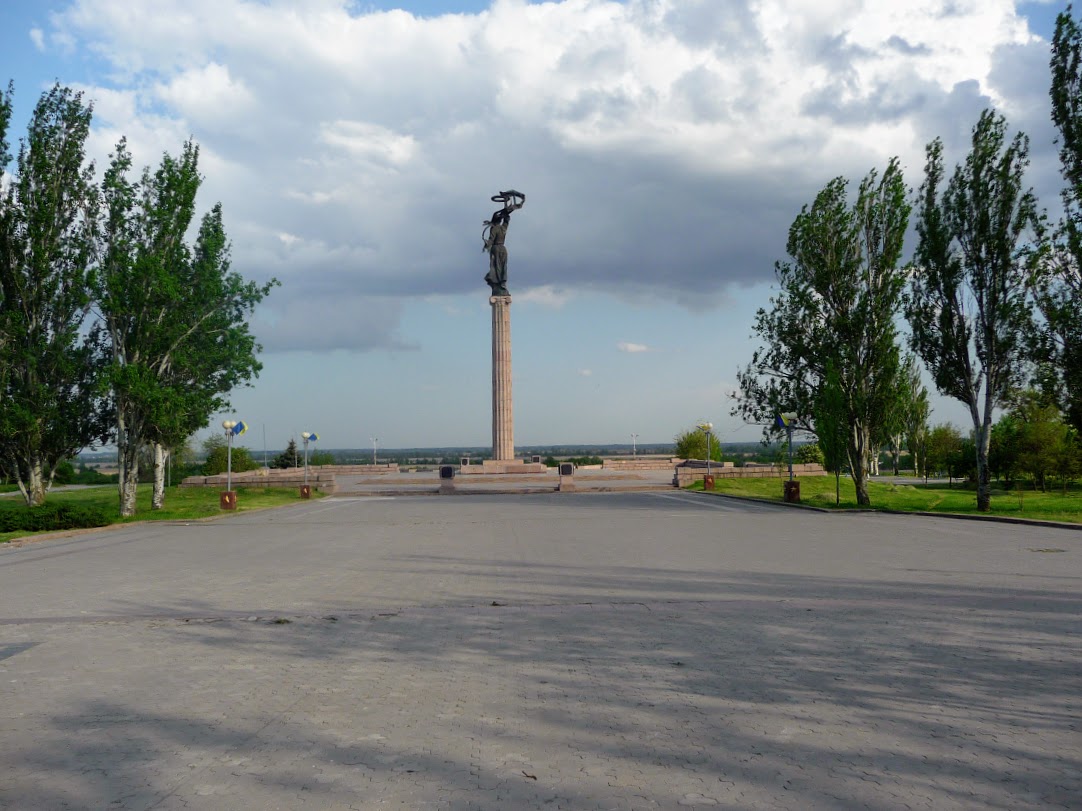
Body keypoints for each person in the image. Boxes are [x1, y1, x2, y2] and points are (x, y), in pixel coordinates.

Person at [482, 190, 525, 295]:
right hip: (503, 249)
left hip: (496, 248)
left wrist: (487, 244)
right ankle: (503, 283)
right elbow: (507, 219)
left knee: (497, 266)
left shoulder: (494, 228)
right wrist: (506, 212)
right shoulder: (503, 227)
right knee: (503, 266)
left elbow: (491, 240)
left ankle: (497, 283)